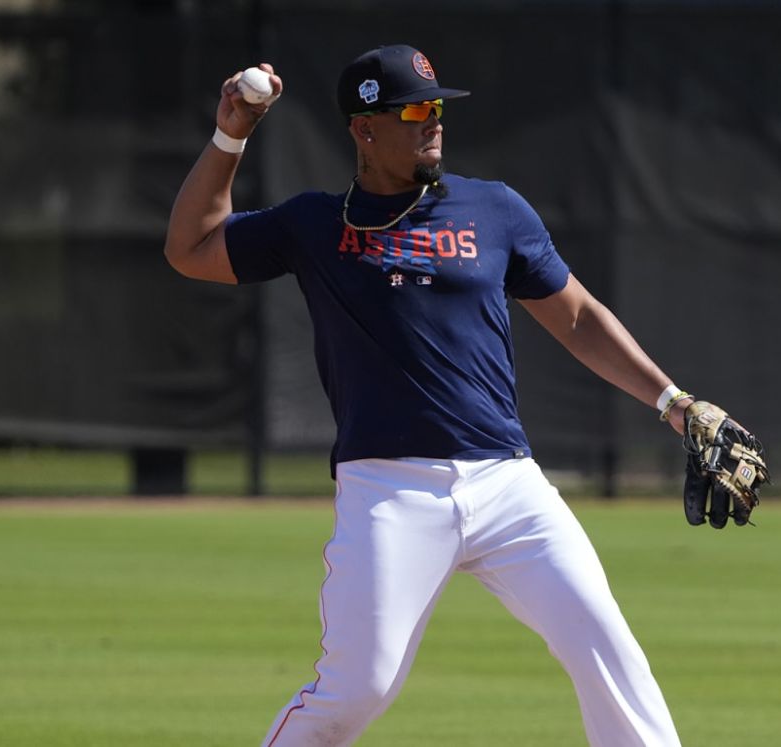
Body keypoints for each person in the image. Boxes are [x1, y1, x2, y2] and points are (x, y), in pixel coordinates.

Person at [165, 44, 703, 747]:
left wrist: (674, 402)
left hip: (509, 484)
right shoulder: (316, 226)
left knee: (606, 644)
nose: (434, 121)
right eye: (415, 109)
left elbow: (576, 316)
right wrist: (231, 134)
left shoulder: (494, 209)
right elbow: (191, 246)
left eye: (438, 107)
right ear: (364, 128)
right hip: (390, 489)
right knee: (358, 687)